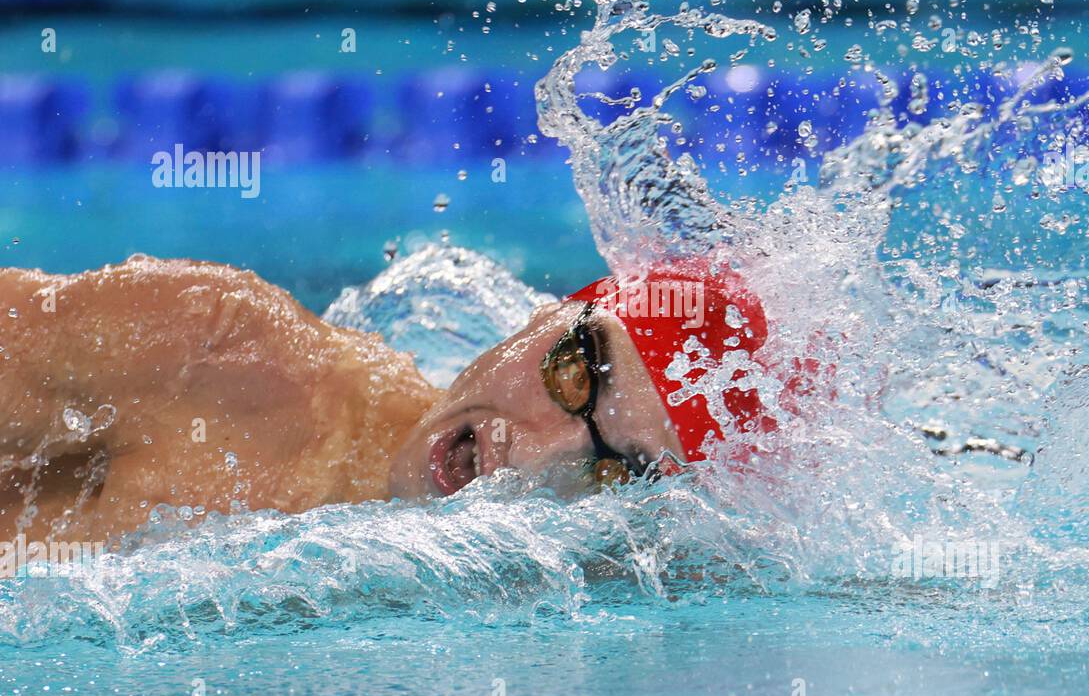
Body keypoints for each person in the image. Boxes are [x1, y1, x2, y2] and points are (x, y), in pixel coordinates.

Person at [0, 254, 769, 541]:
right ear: (549, 313)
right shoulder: (219, 352)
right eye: (572, 375)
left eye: (613, 471)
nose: (530, 449)